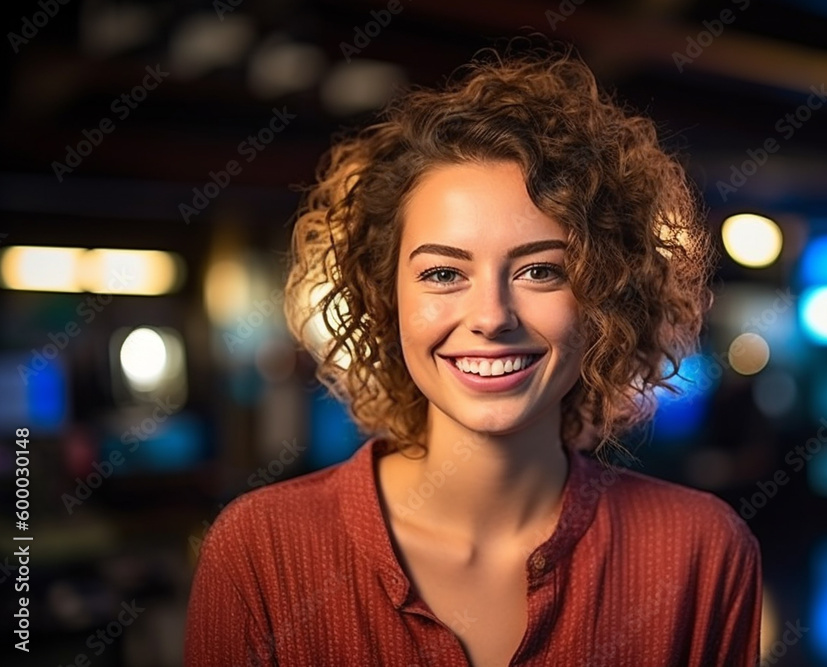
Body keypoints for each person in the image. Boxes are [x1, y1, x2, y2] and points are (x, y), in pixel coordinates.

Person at [184, 39, 762, 667]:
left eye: (540, 271)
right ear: (386, 297)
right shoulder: (262, 550)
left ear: (607, 297)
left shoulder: (700, 551)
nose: (490, 317)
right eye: (441, 275)